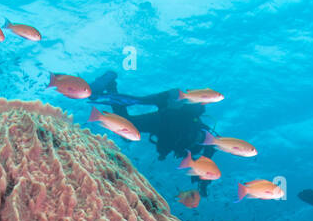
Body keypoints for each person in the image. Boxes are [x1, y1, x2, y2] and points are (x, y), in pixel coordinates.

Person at [88, 71, 217, 186]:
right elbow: (208, 149)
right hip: (166, 117)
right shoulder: (198, 141)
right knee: (131, 114)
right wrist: (204, 181)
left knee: (133, 110)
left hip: (165, 116)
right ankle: (106, 87)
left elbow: (206, 150)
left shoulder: (195, 143)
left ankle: (109, 86)